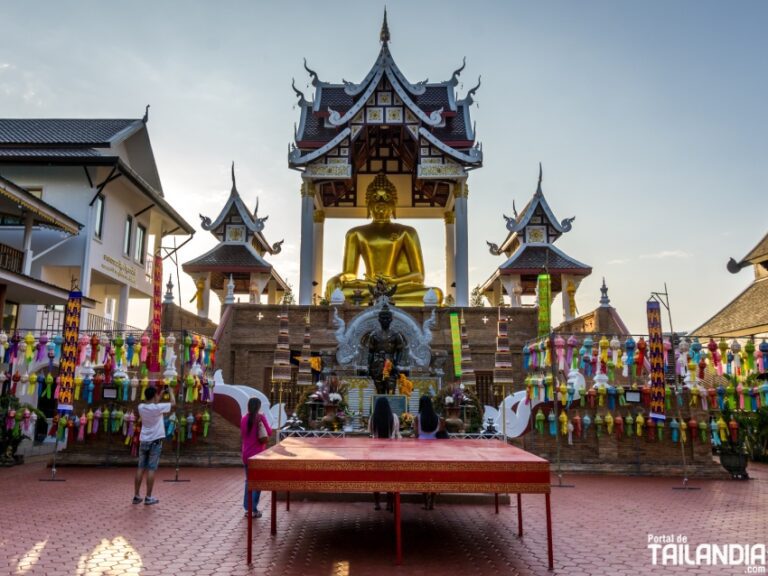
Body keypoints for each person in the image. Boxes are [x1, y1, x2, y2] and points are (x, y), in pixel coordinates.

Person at [324, 172, 442, 306]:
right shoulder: (355, 233)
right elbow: (350, 273)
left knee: (435, 294)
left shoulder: (406, 232)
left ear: (394, 203)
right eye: (375, 197)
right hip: (368, 286)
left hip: (397, 286)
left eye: (386, 197)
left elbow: (419, 276)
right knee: (339, 292)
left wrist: (393, 281)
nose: (381, 202)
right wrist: (338, 278)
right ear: (368, 203)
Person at [133, 385, 175, 505]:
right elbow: (173, 403)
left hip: (144, 441)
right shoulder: (158, 408)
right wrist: (171, 392)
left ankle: (136, 495)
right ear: (154, 396)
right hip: (155, 442)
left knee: (140, 468)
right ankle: (148, 497)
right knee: (151, 469)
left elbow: (153, 403)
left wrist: (160, 394)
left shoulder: (141, 407)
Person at [241, 397, 272, 518]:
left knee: (249, 481)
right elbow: (268, 432)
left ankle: (247, 508)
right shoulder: (260, 417)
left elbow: (243, 436)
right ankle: (253, 509)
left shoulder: (243, 419)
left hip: (246, 454)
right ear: (258, 407)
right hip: (258, 455)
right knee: (257, 482)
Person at [368, 396, 400, 511]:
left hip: (376, 450)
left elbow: (370, 431)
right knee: (390, 477)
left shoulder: (373, 417)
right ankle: (389, 503)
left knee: (376, 477)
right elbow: (396, 432)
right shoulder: (394, 417)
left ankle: (377, 503)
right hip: (391, 450)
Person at [414, 395, 442, 510]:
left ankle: (425, 502)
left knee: (423, 475)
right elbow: (439, 432)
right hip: (435, 447)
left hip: (421, 448)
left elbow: (416, 433)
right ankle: (433, 502)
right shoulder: (437, 417)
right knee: (434, 475)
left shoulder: (418, 417)